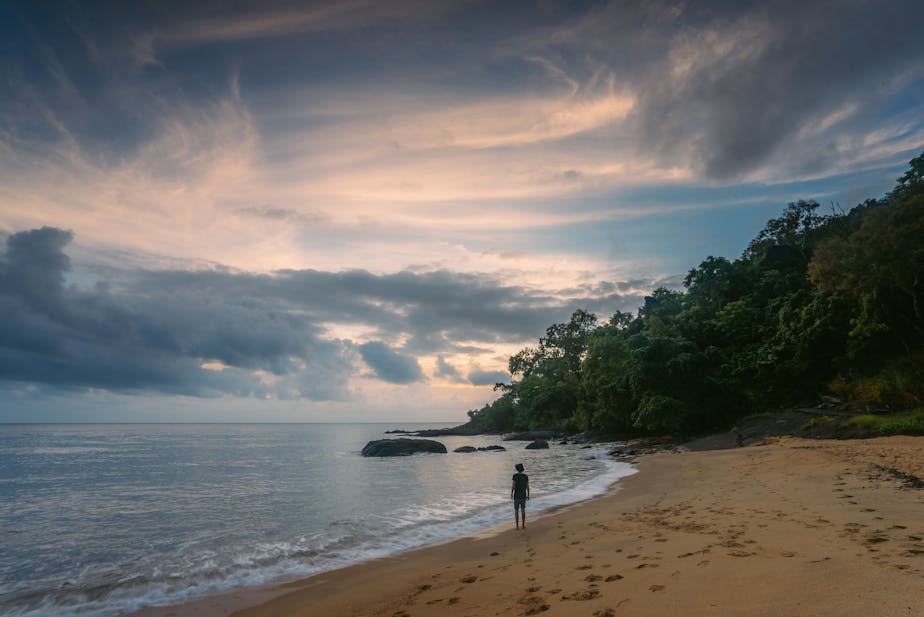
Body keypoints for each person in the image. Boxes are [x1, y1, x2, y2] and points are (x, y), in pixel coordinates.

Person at [511, 463, 530, 530]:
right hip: (523, 495)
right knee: (523, 510)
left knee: (516, 510)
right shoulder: (525, 476)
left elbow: (513, 486)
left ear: (517, 469)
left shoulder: (515, 476)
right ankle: (523, 525)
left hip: (516, 496)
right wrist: (528, 495)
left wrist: (511, 494)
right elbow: (527, 487)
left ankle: (517, 526)